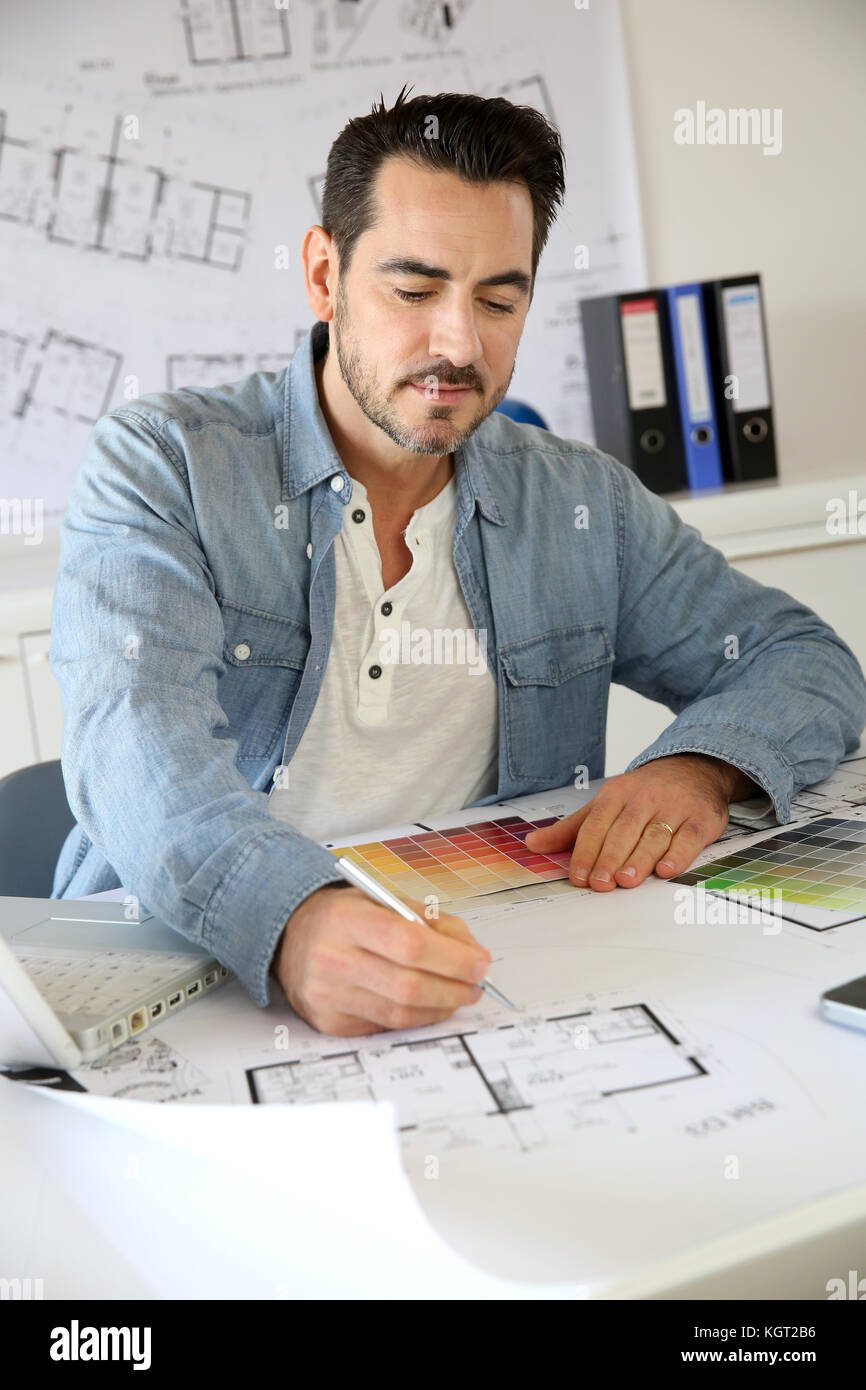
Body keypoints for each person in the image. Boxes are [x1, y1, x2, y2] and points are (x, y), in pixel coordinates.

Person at [50, 87, 866, 1037]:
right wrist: (294, 920)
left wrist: (699, 766)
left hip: (474, 981)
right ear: (323, 274)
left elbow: (802, 657)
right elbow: (134, 754)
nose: (459, 345)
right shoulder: (165, 463)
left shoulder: (577, 500)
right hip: (177, 978)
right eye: (414, 290)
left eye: (498, 299)